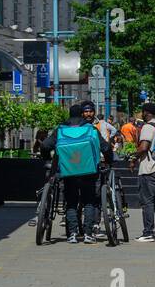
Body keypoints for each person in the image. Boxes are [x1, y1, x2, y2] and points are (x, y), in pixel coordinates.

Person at [40, 102, 111, 243]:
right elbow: (106, 148)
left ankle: (72, 234)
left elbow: (45, 145)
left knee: (71, 202)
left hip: (68, 172)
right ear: (82, 115)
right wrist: (109, 161)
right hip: (89, 172)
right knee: (89, 202)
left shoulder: (61, 129)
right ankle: (88, 234)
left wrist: (47, 159)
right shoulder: (91, 129)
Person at [134, 102, 155, 241]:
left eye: (143, 112)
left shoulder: (148, 127)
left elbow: (143, 147)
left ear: (147, 113)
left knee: (147, 201)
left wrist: (133, 156)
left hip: (148, 168)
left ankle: (148, 232)